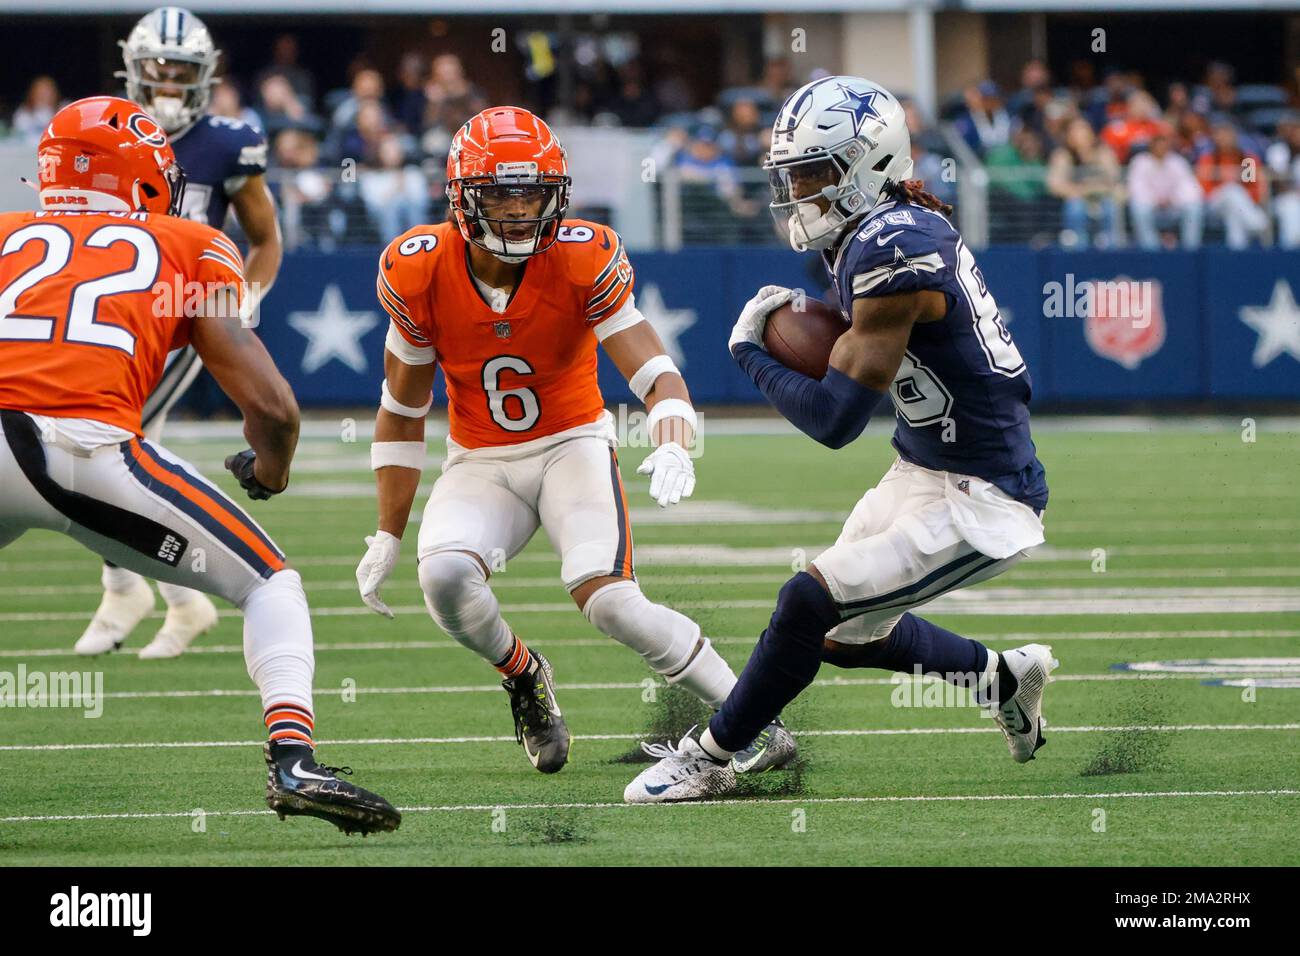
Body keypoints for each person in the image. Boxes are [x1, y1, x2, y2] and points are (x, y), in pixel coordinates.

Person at [625, 77, 1055, 803]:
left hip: (985, 495)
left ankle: (712, 755)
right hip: (924, 462)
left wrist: (752, 355)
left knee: (807, 601)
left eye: (816, 172)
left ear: (869, 164)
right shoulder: (877, 228)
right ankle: (1002, 678)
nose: (799, 191)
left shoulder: (894, 247)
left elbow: (835, 421)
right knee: (833, 635)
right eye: (792, 174)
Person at [353, 106, 796, 775]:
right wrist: (388, 531)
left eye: (532, 192)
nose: (520, 210)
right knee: (442, 573)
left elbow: (657, 374)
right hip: (480, 460)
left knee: (611, 599)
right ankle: (523, 674)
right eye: (500, 193)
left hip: (572, 447)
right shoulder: (418, 271)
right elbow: (400, 410)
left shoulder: (582, 257)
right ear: (461, 198)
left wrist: (673, 440)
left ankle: (753, 716)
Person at [0, 96, 398, 834]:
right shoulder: (187, 241)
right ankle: (293, 759)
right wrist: (271, 469)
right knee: (270, 581)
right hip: (77, 447)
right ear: (145, 175)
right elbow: (272, 406)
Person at [74, 6, 284, 659]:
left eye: (180, 70)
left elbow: (264, 238)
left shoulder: (226, 142)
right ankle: (173, 598)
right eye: (157, 68)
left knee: (98, 440)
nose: (166, 80)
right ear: (132, 71)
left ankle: (136, 590)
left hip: (183, 314)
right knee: (112, 451)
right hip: (116, 319)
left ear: (204, 76)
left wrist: (238, 306)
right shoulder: (105, 129)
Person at [1127, 131, 1204, 249]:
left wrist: (1172, 199)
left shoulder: (1178, 162)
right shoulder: (1140, 162)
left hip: (1174, 208)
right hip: (1151, 208)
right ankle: (1151, 249)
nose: (1161, 149)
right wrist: (1155, 200)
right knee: (1138, 208)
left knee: (1194, 207)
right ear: (1151, 147)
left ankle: (1190, 249)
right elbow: (1136, 188)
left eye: (1164, 146)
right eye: (1158, 146)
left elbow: (1189, 187)